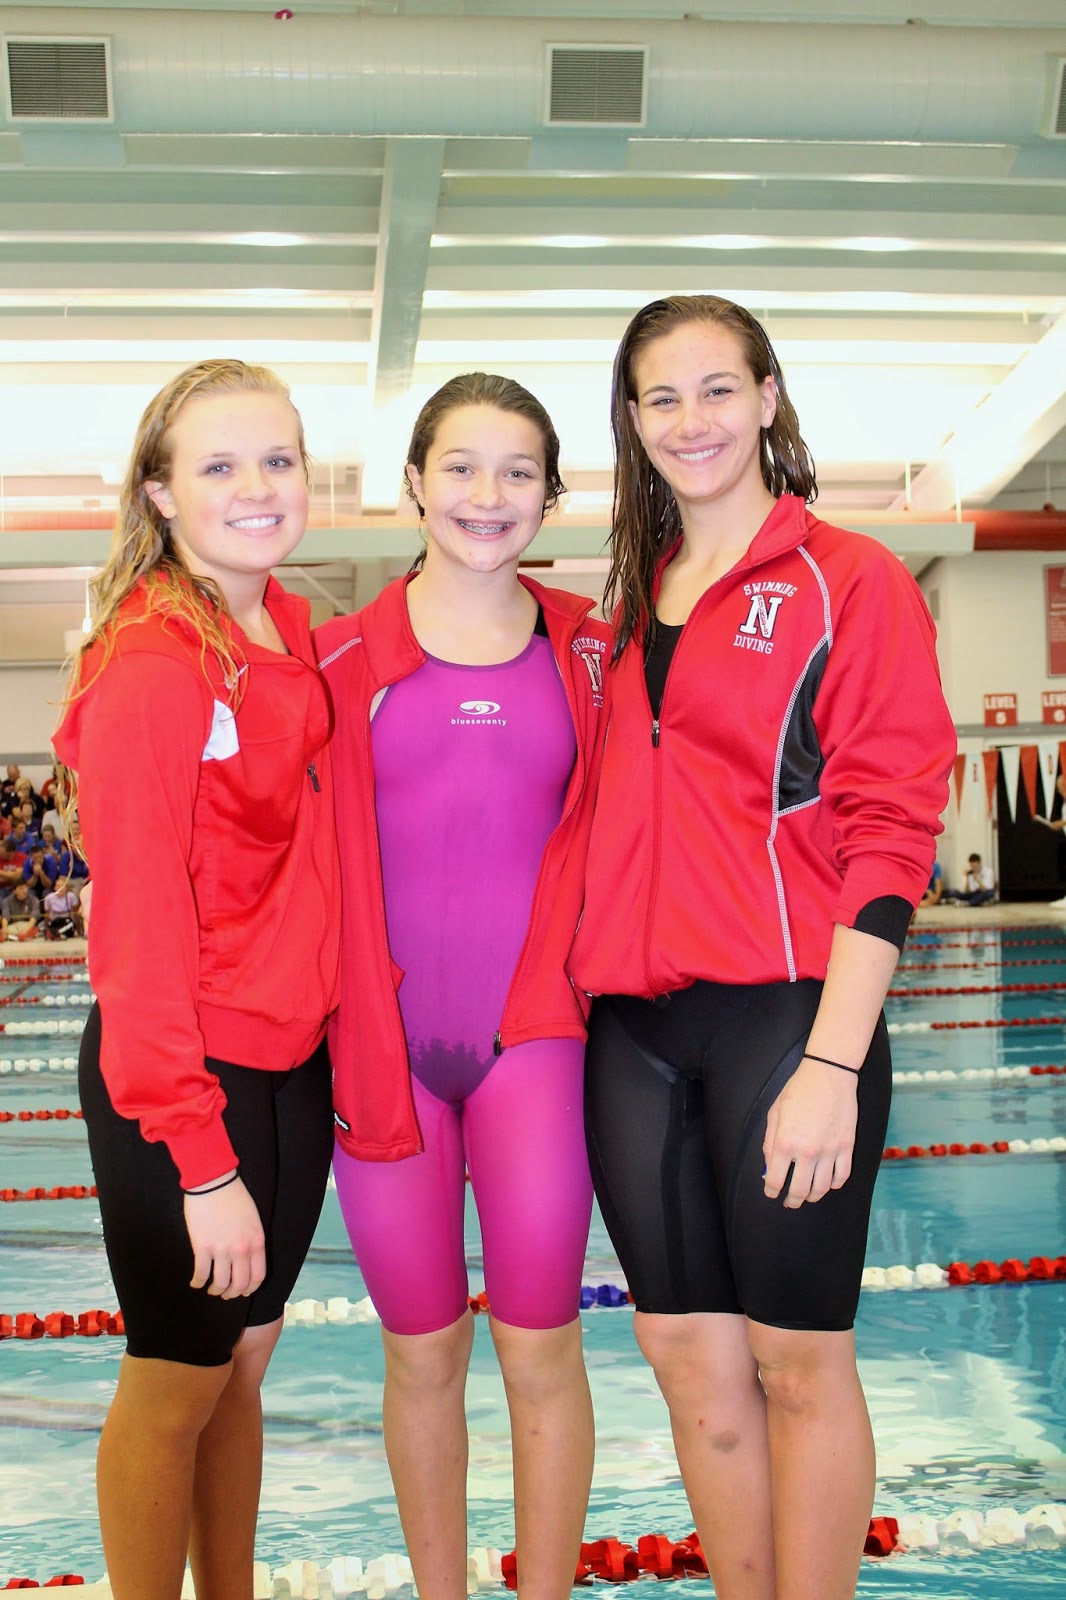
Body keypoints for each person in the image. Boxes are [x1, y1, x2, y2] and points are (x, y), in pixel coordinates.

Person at [568, 296, 956, 1600]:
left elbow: (892, 833)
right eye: (660, 397)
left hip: (787, 1017)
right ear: (631, 420)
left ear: (768, 398)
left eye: (717, 389)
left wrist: (832, 1064)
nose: (691, 420)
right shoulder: (625, 607)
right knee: (686, 1357)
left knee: (797, 1360)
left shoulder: (850, 580)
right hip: (633, 1028)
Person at [318, 372, 610, 1600]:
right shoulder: (339, 656)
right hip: (383, 1055)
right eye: (460, 467)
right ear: (413, 483)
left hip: (535, 1047)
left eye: (517, 472)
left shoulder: (592, 651)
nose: (488, 496)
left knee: (542, 1352)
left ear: (551, 494)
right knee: (422, 1357)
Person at [52, 358, 340, 1600]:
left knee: (240, 1367)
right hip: (186, 1074)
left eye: (278, 459)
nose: (256, 486)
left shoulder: (292, 629)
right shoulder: (156, 660)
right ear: (161, 493)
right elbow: (138, 927)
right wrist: (201, 1159)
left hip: (288, 1057)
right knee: (175, 1380)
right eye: (218, 465)